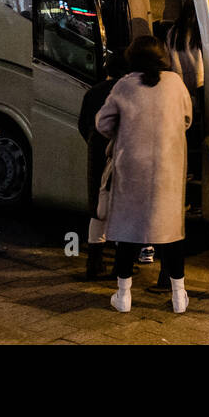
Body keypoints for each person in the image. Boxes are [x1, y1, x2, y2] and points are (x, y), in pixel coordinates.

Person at [94, 35, 193, 313]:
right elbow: (187, 119)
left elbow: (103, 123)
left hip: (132, 171)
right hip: (169, 171)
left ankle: (123, 297)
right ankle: (178, 297)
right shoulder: (176, 84)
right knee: (172, 235)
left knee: (128, 233)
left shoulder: (124, 86)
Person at [78, 69, 119, 280]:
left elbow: (83, 125)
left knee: (97, 207)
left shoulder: (93, 92)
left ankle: (94, 261)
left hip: (96, 151)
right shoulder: (127, 91)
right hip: (119, 152)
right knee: (122, 208)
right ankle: (121, 265)